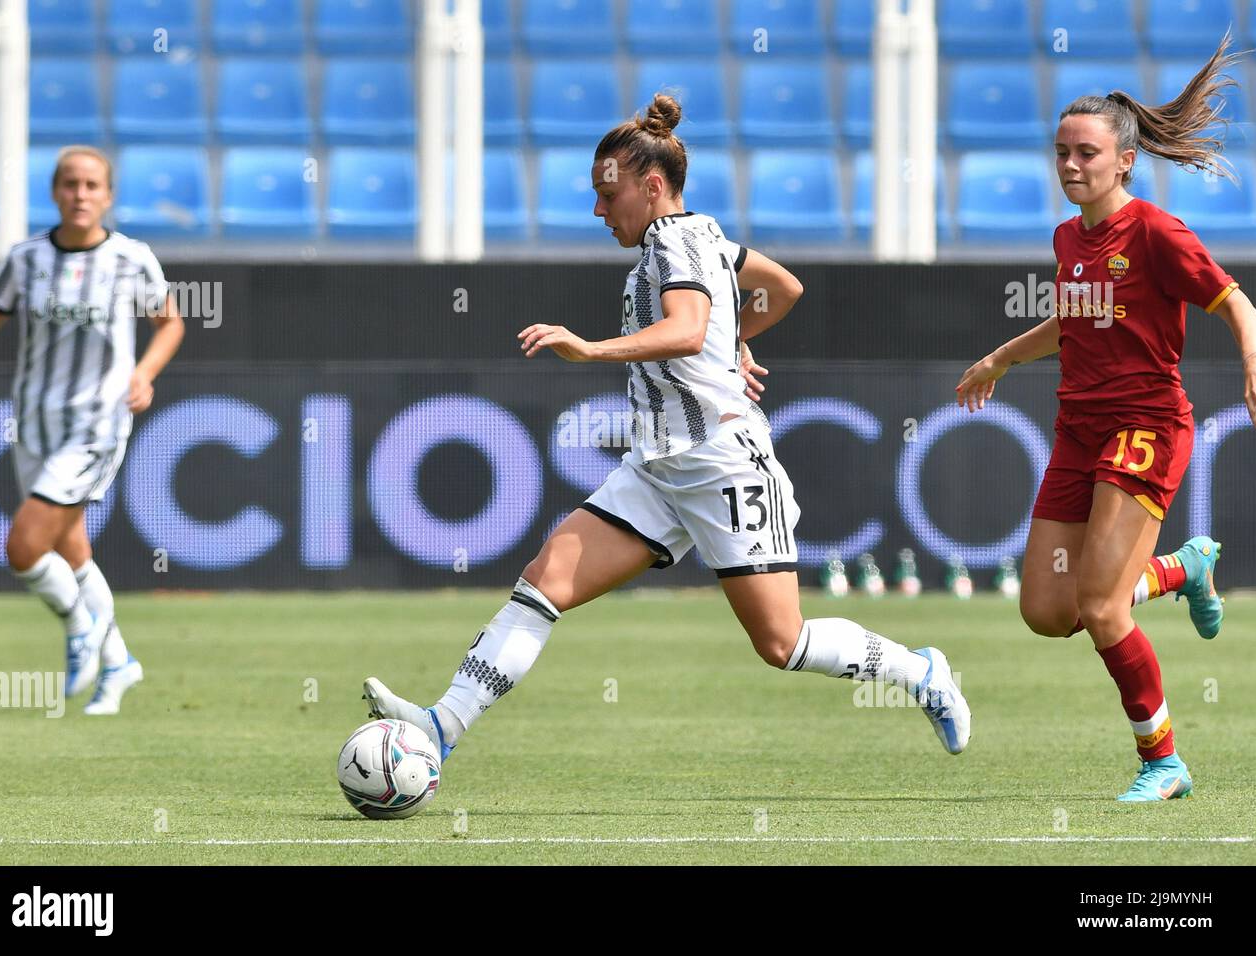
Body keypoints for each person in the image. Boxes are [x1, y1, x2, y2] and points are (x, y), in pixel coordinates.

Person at [363, 94, 971, 763]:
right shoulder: (706, 236)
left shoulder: (671, 242)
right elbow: (784, 287)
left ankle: (922, 674)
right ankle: (442, 724)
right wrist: (732, 339)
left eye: (608, 193)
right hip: (658, 465)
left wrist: (591, 348)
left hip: (720, 463)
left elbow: (685, 329)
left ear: (652, 187)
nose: (599, 210)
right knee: (546, 580)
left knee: (783, 642)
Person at [956, 37, 1256, 801]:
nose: (1068, 165)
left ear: (1123, 161)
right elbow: (1072, 320)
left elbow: (1236, 303)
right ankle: (1182, 569)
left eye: (1084, 152)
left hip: (1146, 427)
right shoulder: (1069, 239)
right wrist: (999, 358)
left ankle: (1163, 762)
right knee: (1047, 611)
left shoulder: (1157, 234)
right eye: (1060, 151)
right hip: (1077, 434)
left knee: (1098, 607)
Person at [0, 145, 185, 714]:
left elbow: (169, 322)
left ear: (107, 196)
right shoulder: (26, 259)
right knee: (72, 546)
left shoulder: (132, 259)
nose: (80, 195)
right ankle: (119, 665)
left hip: (96, 423)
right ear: (55, 193)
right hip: (34, 422)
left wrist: (145, 372)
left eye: (91, 186)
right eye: (70, 185)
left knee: (22, 546)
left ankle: (81, 628)